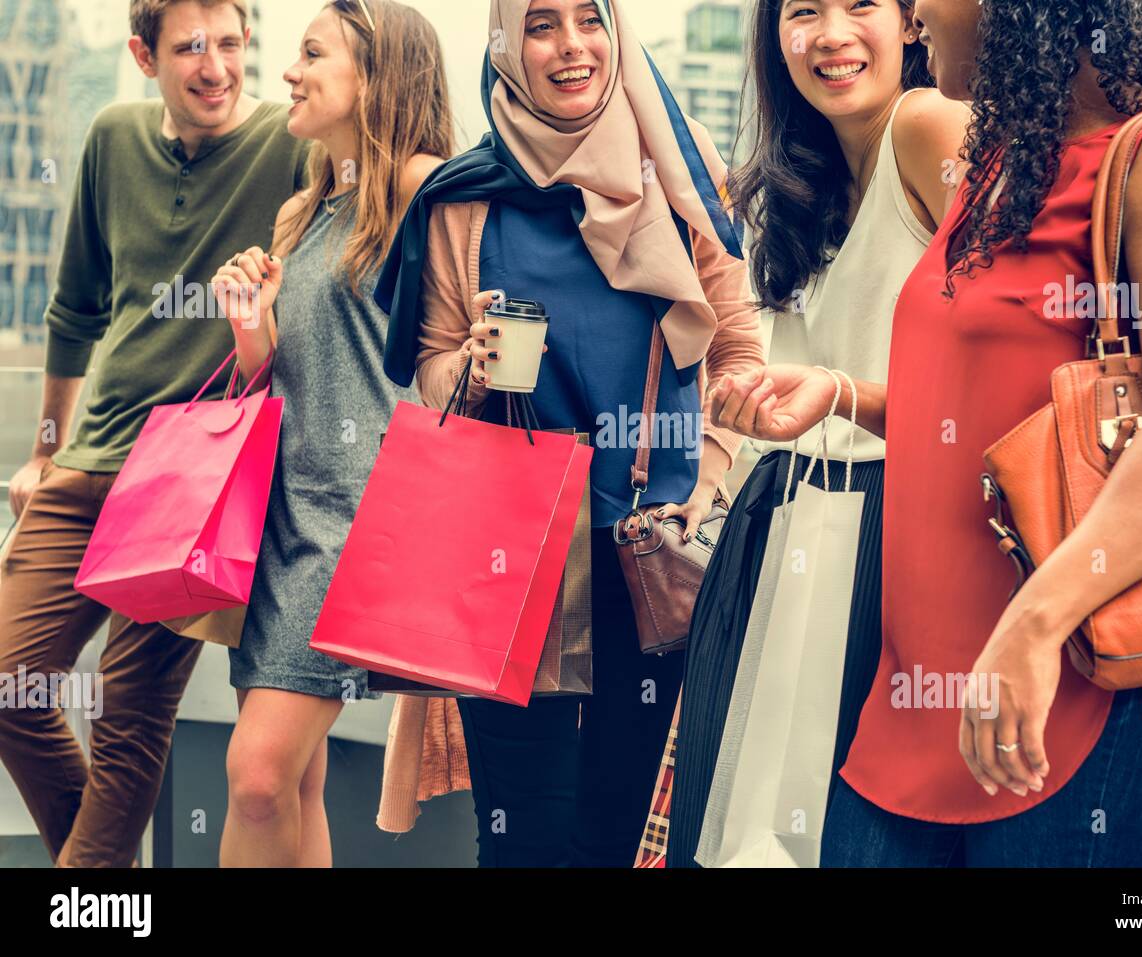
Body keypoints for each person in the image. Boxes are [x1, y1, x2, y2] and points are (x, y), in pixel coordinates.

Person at [712, 0, 1142, 867]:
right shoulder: (996, 172)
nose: (919, 14)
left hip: (1074, 686)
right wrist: (840, 394)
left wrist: (1035, 624)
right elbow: (989, 418)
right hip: (922, 694)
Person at [375, 0, 766, 867]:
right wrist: (473, 365)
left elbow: (736, 342)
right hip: (510, 557)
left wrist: (705, 479)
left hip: (649, 543)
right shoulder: (463, 195)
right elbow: (430, 368)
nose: (571, 45)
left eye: (590, 18)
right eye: (541, 23)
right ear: (507, 43)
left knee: (626, 828)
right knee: (524, 835)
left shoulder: (677, 163)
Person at [0, 0, 309, 868]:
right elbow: (74, 312)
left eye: (230, 44)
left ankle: (90, 896)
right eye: (190, 49)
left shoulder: (292, 143)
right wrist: (43, 448)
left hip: (194, 484)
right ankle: (104, 882)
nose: (215, 68)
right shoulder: (109, 136)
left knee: (128, 723)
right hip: (88, 459)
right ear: (143, 55)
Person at [665, 0, 968, 867]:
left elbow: (1020, 329)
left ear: (912, 24)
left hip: (887, 521)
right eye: (803, 11)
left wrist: (840, 393)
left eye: (859, 5)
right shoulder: (793, 173)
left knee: (839, 829)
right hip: (785, 513)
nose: (832, 33)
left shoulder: (925, 122)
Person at [210, 0, 452, 867]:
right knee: (296, 783)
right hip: (283, 515)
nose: (288, 72)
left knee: (256, 775)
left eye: (313, 53)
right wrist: (250, 325)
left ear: (376, 76)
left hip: (358, 524)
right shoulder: (302, 211)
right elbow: (274, 379)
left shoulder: (426, 189)